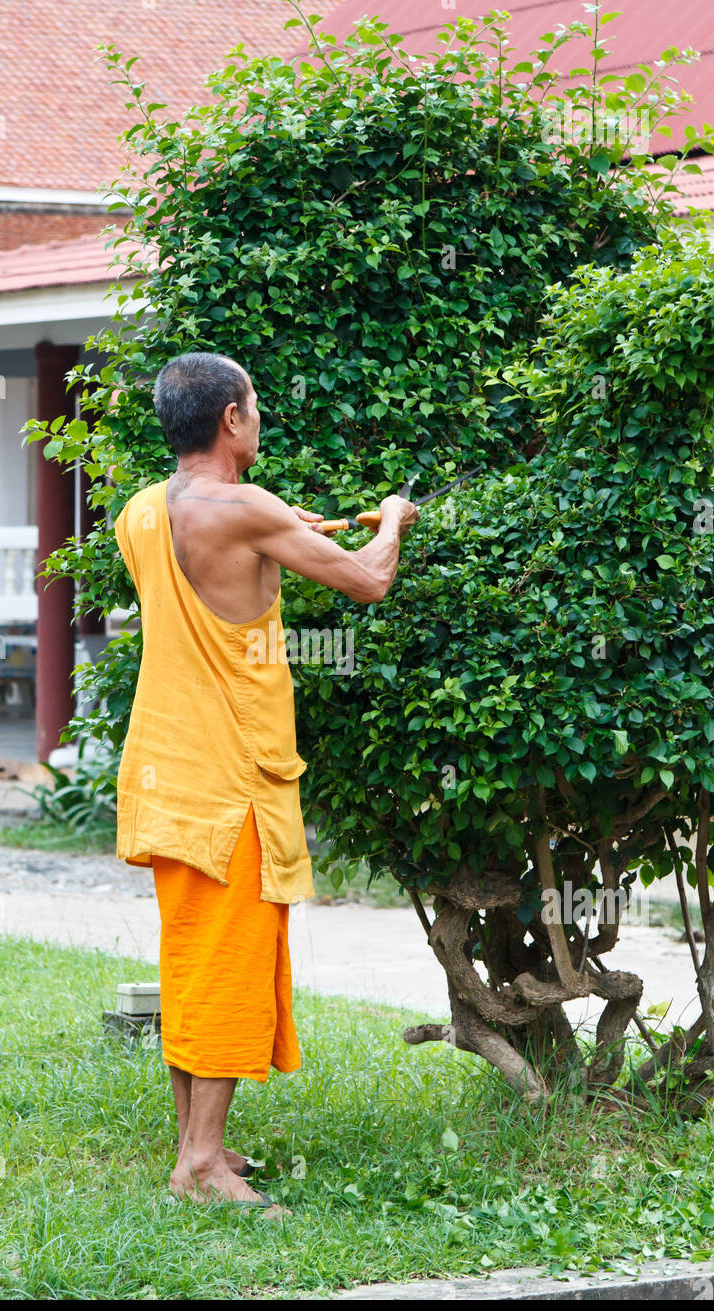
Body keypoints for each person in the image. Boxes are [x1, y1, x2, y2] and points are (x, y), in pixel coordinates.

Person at [113, 351, 418, 1217]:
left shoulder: (143, 511)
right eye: (255, 407)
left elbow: (216, 573)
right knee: (229, 961)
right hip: (229, 780)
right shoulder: (246, 507)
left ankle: (195, 1142)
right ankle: (201, 1167)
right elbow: (369, 582)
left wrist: (281, 529)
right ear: (232, 421)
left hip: (166, 767)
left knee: (190, 957)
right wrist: (390, 519)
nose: (260, 418)